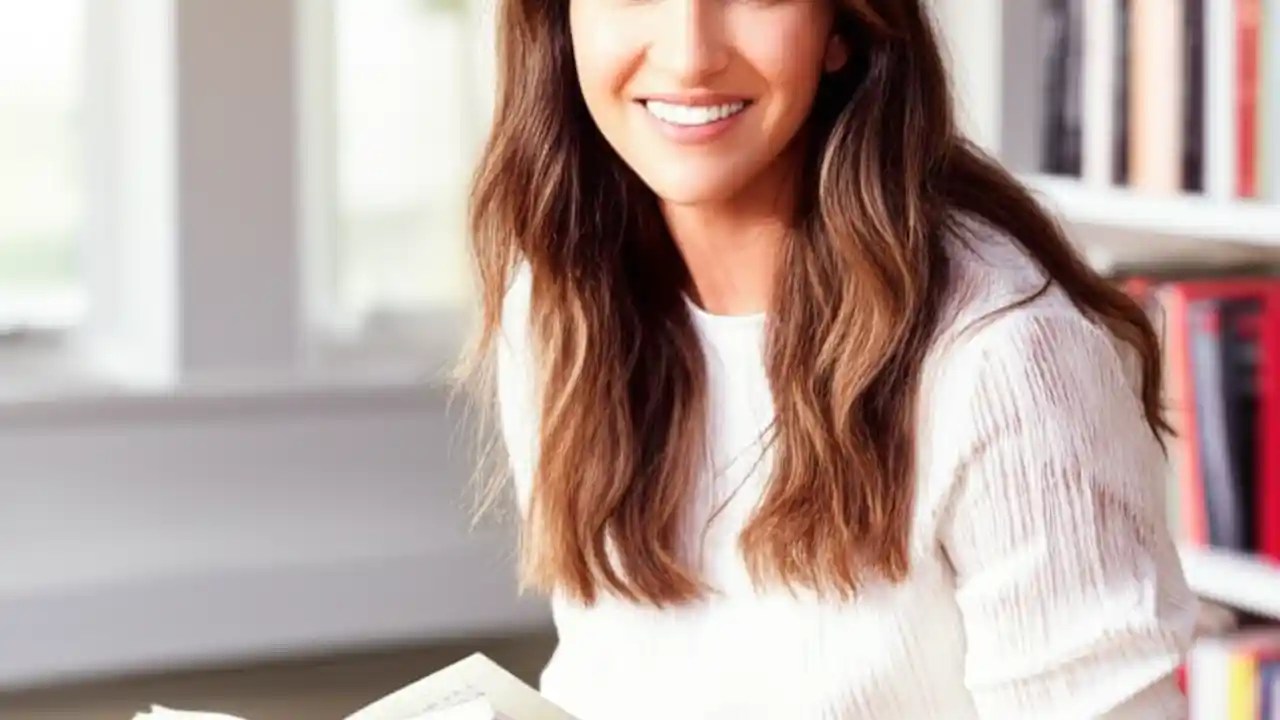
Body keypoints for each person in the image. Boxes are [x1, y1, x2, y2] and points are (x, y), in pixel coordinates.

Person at [462, 0, 1197, 717]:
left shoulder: (1008, 361)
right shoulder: (561, 310)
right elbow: (605, 676)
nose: (690, 53)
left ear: (842, 25)